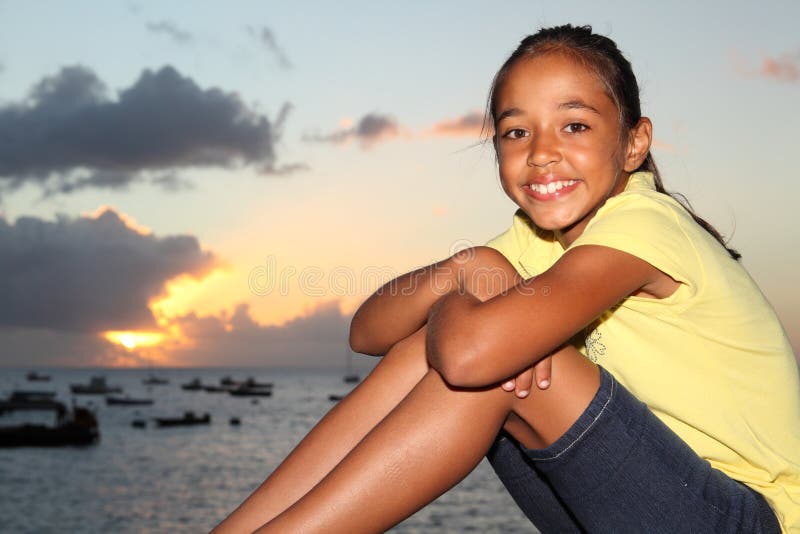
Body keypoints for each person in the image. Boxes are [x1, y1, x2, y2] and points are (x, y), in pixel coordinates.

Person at [213, 24, 799, 533]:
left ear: (633, 143)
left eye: (574, 125)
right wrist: (464, 267)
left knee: (491, 361)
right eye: (517, 132)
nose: (542, 152)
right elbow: (366, 332)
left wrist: (459, 305)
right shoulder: (533, 241)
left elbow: (470, 357)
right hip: (646, 502)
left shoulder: (644, 223)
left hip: (752, 518)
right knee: (439, 347)